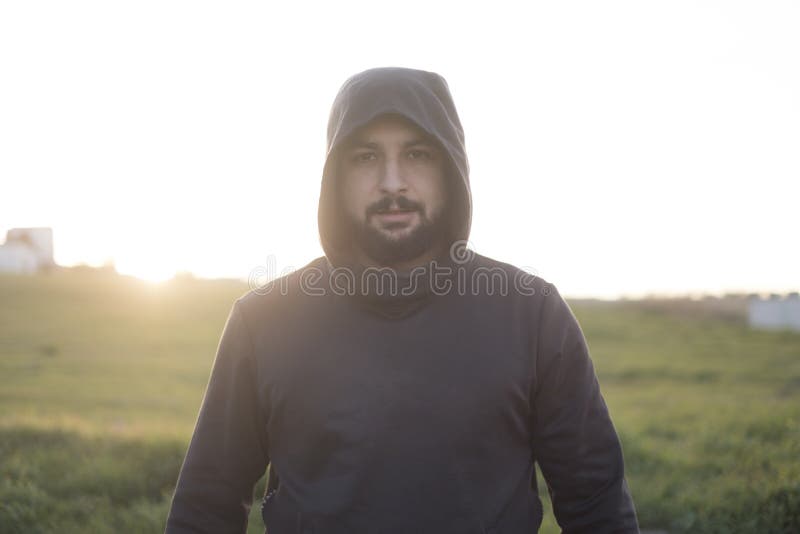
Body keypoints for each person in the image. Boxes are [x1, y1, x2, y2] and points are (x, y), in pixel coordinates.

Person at [165, 66, 640, 533]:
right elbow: (207, 504)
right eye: (366, 157)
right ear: (334, 173)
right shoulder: (264, 321)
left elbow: (595, 502)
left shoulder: (533, 315)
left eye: (417, 154)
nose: (392, 183)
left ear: (452, 167)